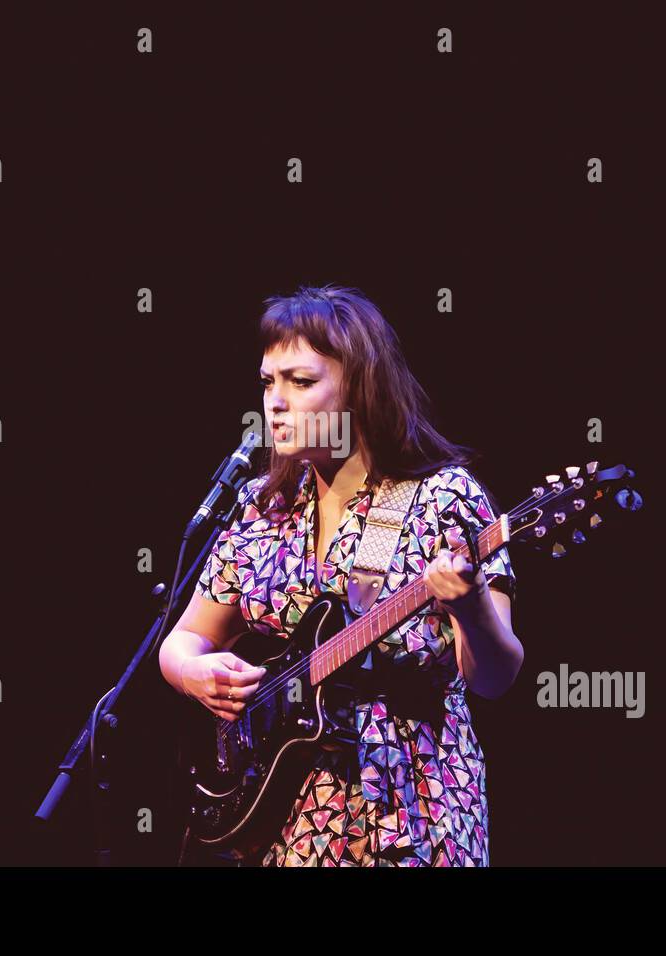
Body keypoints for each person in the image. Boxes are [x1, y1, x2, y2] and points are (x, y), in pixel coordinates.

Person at [159, 285, 523, 866]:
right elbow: (181, 640)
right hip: (284, 819)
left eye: (300, 382)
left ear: (360, 388)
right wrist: (193, 671)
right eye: (267, 382)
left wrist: (471, 605)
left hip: (413, 809)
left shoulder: (443, 499)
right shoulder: (262, 506)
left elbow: (495, 677)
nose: (275, 401)